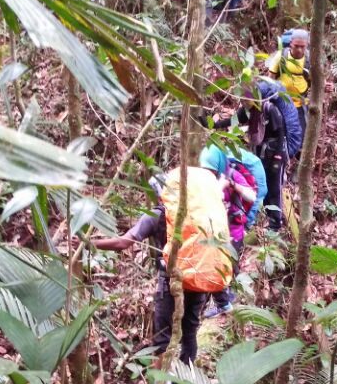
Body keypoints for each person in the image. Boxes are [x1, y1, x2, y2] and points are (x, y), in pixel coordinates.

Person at [92, 168, 233, 365]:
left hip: (170, 281)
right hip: (196, 275)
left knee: (162, 336)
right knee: (190, 331)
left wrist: (90, 243)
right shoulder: (193, 214)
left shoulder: (157, 215)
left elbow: (124, 242)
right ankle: (183, 381)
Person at [198, 146, 259, 318]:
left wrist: (232, 185)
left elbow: (252, 196)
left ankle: (229, 301)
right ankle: (223, 300)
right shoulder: (204, 179)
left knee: (228, 264)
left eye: (210, 169)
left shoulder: (232, 174)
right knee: (216, 264)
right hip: (213, 231)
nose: (207, 172)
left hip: (233, 229)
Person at [233, 78, 301, 231]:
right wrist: (211, 124)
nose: (244, 104)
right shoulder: (250, 110)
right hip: (262, 152)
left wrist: (278, 158)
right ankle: (267, 219)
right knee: (262, 184)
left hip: (276, 152)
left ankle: (275, 225)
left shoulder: (269, 108)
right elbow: (233, 120)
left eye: (246, 100)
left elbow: (281, 134)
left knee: (275, 187)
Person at [267, 29, 312, 139]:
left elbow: (318, 80)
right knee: (278, 129)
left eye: (303, 47)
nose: (299, 50)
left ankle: (297, 154)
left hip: (300, 102)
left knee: (300, 132)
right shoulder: (281, 56)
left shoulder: (310, 59)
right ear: (291, 43)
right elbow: (270, 78)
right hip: (281, 99)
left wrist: (327, 87)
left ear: (307, 45)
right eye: (296, 46)